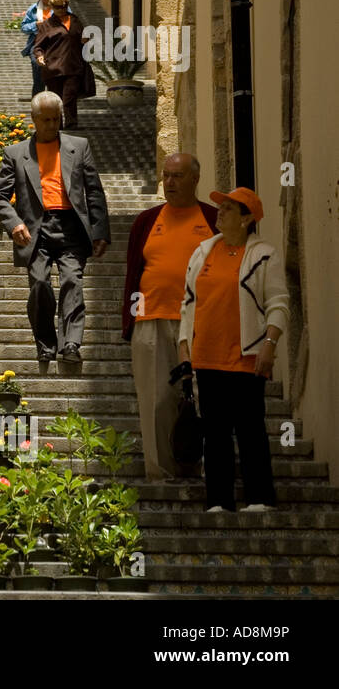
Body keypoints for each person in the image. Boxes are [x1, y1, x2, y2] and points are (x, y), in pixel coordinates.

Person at [177, 187, 288, 513]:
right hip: (207, 356)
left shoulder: (265, 254)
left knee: (251, 428)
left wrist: (270, 344)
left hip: (247, 354)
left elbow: (279, 303)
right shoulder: (202, 252)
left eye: (228, 209)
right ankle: (219, 500)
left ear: (247, 218)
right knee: (215, 432)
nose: (219, 213)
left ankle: (260, 498)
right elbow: (188, 304)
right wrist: (184, 346)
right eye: (219, 208)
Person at [0, 91, 111, 364]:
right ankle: (45, 343)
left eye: (55, 119)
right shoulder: (15, 153)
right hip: (35, 230)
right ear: (33, 119)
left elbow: (94, 192)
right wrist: (14, 224)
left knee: (72, 281)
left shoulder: (79, 147)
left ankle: (70, 345)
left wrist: (100, 231)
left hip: (71, 227)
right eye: (45, 120)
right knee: (40, 285)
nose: (51, 125)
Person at [122, 154, 219, 481]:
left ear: (195, 179)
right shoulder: (146, 221)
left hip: (203, 324)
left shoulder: (214, 219)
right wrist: (132, 321)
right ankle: (160, 473)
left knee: (206, 399)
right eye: (166, 176)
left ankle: (208, 468)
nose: (171, 182)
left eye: (178, 176)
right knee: (157, 401)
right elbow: (133, 275)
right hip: (151, 321)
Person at [33, 0, 96, 129]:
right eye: (57, 7)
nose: (61, 9)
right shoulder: (47, 25)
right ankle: (57, 126)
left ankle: (72, 124)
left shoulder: (75, 21)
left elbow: (81, 38)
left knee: (69, 98)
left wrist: (85, 40)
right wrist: (40, 56)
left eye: (64, 6)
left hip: (73, 66)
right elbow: (38, 46)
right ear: (51, 6)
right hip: (53, 69)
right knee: (56, 100)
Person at [19, 0, 62, 102]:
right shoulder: (33, 10)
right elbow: (23, 27)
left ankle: (55, 101)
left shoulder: (61, 7)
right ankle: (37, 101)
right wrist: (34, 25)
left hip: (56, 46)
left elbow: (70, 23)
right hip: (37, 44)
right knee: (37, 68)